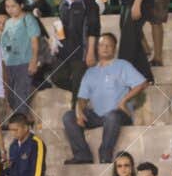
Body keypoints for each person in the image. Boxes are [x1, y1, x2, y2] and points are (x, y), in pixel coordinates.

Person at [60, 33, 149, 165]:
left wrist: (124, 100)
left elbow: (142, 83)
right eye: (102, 45)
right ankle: (83, 155)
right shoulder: (90, 72)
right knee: (68, 116)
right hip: (97, 116)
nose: (105, 48)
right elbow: (82, 98)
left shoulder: (122, 65)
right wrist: (79, 111)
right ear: (97, 48)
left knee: (111, 116)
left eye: (109, 45)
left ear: (114, 48)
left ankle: (105, 155)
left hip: (119, 114)